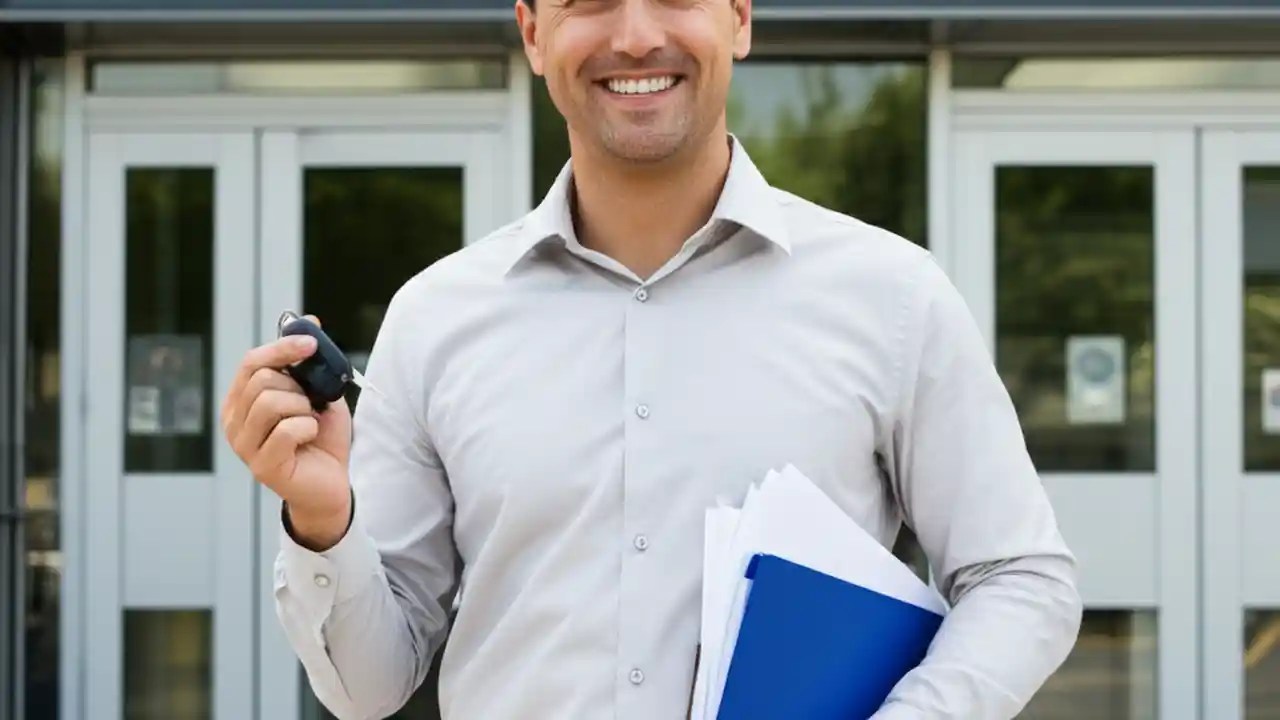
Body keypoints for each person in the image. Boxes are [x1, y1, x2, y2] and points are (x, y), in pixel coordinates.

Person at [220, 0, 1083, 718]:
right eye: (588, 1)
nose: (634, 34)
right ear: (532, 33)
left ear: (739, 17)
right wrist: (323, 525)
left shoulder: (892, 295)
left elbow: (1022, 578)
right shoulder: (436, 317)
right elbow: (369, 689)